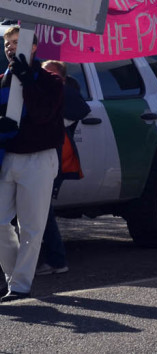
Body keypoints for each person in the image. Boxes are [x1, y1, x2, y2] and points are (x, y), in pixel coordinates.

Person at [0, 26, 64, 302]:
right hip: (9, 157)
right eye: (7, 44)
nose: (11, 47)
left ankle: (21, 286)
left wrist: (28, 80)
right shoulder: (3, 79)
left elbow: (43, 113)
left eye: (17, 42)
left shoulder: (50, 79)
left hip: (39, 157)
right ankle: (14, 276)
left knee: (32, 226)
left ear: (33, 47)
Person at [37, 60, 89, 277]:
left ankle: (56, 260)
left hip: (52, 161)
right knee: (39, 211)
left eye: (52, 75)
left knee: (42, 211)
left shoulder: (66, 98)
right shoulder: (45, 95)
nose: (46, 78)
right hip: (45, 159)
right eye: (43, 74)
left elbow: (80, 109)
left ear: (63, 80)